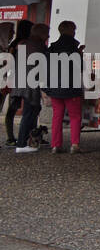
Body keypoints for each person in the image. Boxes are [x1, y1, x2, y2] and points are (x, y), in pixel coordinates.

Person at [46, 21, 85, 154]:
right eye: (74, 30)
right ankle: (74, 144)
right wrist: (80, 53)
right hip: (71, 87)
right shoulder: (73, 48)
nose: (75, 32)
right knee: (75, 116)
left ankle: (56, 145)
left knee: (57, 116)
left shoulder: (52, 47)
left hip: (55, 87)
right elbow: (80, 67)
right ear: (69, 31)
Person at [14, 23, 49, 153]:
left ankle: (29, 141)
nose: (48, 35)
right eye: (46, 32)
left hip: (22, 83)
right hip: (31, 84)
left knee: (31, 112)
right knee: (29, 113)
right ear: (40, 34)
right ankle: (22, 143)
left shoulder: (24, 44)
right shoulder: (38, 46)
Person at [4, 19, 32, 146]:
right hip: (20, 80)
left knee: (14, 108)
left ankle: (11, 137)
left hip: (13, 79)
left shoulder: (12, 44)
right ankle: (19, 137)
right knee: (26, 107)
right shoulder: (21, 44)